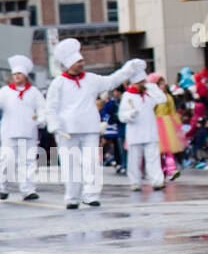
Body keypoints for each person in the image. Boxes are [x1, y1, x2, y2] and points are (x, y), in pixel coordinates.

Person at [45, 39, 144, 208]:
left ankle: (91, 195)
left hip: (89, 127)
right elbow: (51, 106)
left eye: (82, 61)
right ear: (69, 64)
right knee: (70, 164)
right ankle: (72, 197)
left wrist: (127, 70)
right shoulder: (58, 83)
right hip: (67, 130)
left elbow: (111, 81)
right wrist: (53, 124)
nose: (82, 64)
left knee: (91, 162)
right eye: (78, 62)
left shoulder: (91, 79)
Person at [0, 54, 44, 201]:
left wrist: (41, 120)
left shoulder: (34, 92)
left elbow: (42, 108)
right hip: (9, 132)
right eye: (15, 74)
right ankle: (3, 188)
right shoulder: (5, 91)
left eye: (19, 73)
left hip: (29, 131)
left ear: (25, 75)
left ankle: (28, 190)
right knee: (7, 161)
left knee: (29, 162)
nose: (17, 76)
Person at [118, 66, 165, 191]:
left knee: (153, 158)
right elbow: (122, 116)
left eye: (144, 81)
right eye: (141, 82)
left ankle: (157, 181)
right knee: (134, 160)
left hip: (150, 131)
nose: (144, 84)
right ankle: (135, 182)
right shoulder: (127, 95)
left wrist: (152, 88)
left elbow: (162, 99)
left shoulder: (149, 94)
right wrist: (130, 115)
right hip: (135, 132)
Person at [149, 73, 184, 182]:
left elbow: (172, 111)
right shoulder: (152, 98)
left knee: (168, 149)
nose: (163, 86)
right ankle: (162, 171)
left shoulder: (168, 97)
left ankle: (172, 169)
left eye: (163, 84)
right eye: (161, 84)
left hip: (167, 123)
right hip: (156, 124)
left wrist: (176, 124)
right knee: (158, 151)